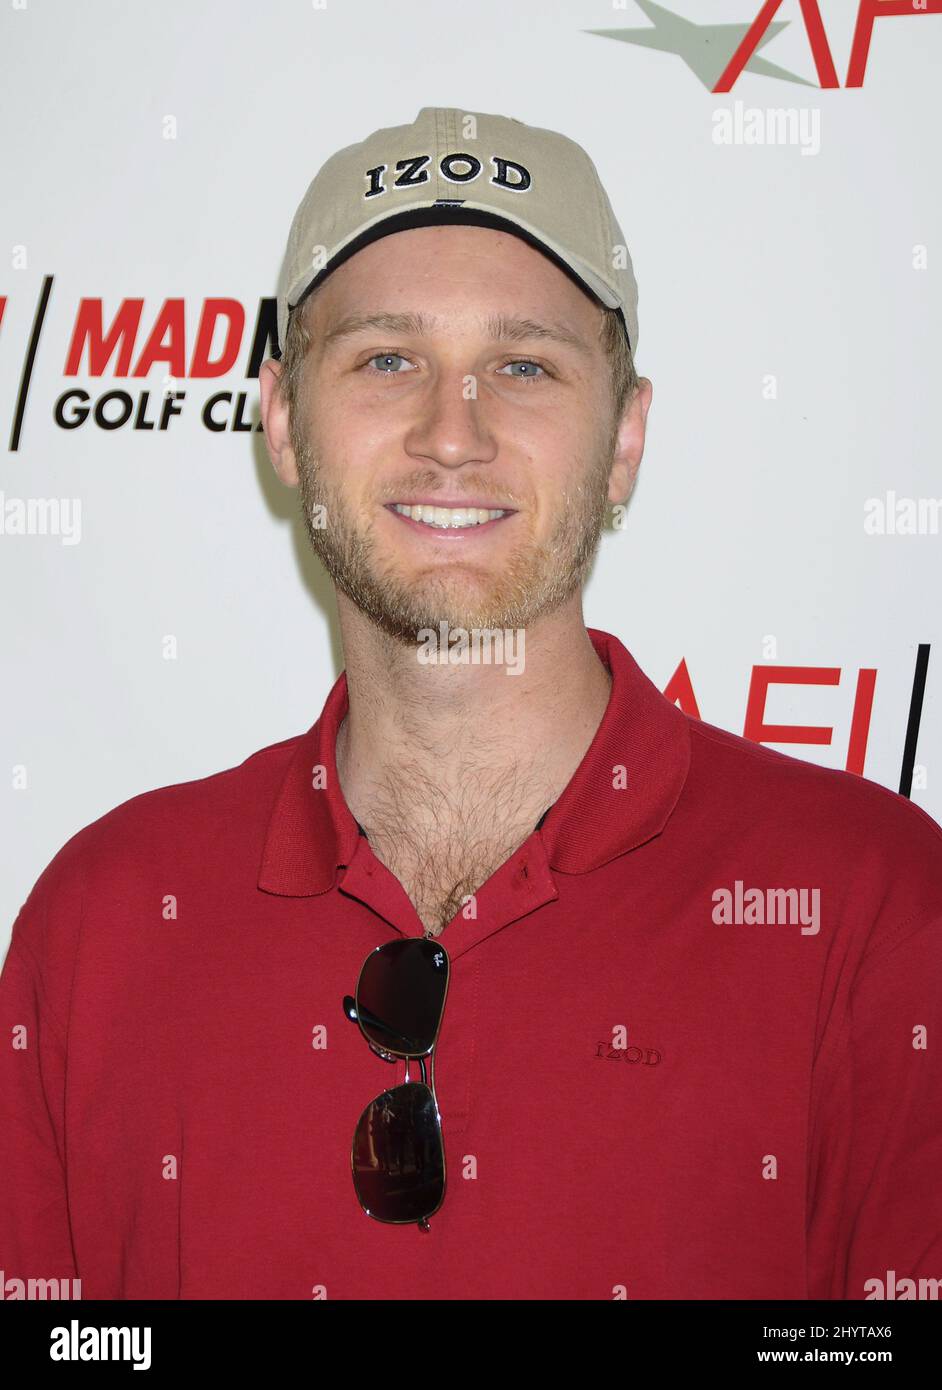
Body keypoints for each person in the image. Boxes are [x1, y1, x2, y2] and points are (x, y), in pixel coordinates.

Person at [2, 107, 940, 1300]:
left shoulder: (873, 910)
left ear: (625, 441)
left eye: (525, 365)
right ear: (285, 420)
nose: (455, 434)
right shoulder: (106, 921)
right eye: (388, 358)